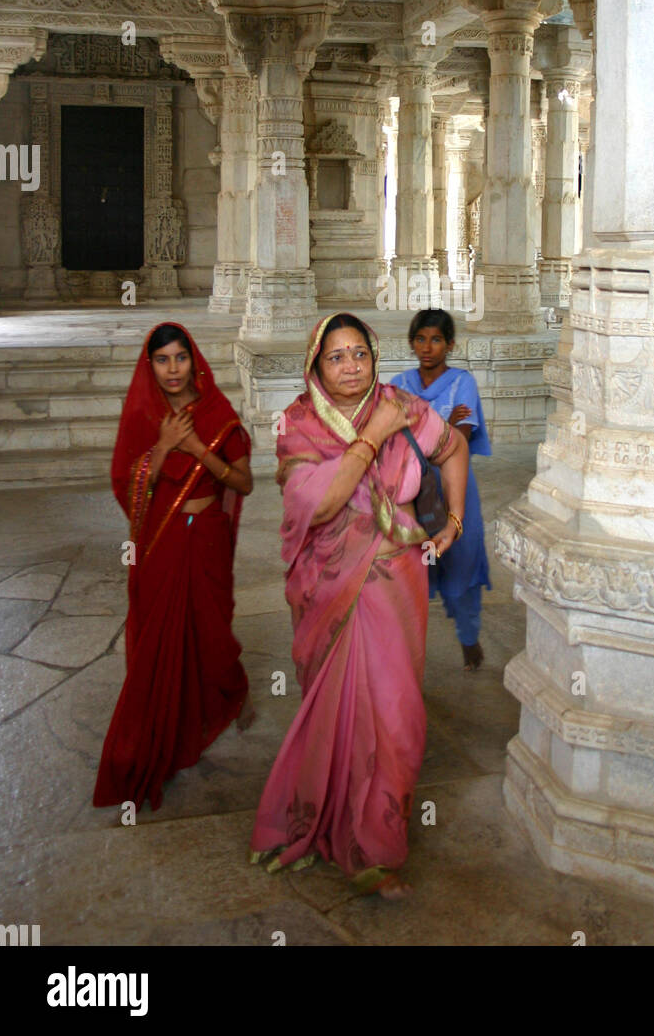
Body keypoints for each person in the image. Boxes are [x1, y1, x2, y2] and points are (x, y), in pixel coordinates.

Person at [251, 313, 468, 899]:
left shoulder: (399, 403)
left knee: (395, 714)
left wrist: (453, 520)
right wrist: (375, 433)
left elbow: (454, 447)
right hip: (330, 587)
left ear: (374, 358)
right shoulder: (297, 424)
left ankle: (375, 844)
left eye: (360, 355)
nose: (351, 367)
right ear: (316, 366)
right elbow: (320, 505)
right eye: (336, 357)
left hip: (397, 583)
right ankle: (334, 825)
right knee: (338, 712)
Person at [93, 322, 253, 812]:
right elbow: (127, 486)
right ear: (150, 366)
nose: (172, 369)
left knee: (208, 632)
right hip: (161, 545)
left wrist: (197, 450)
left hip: (205, 542)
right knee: (159, 641)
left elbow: (243, 483)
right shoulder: (141, 414)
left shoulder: (216, 412)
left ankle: (211, 701)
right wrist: (162, 448)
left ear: (194, 359)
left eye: (180, 357)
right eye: (162, 360)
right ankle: (149, 741)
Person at [392, 309, 492, 670]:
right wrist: (441, 427)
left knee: (461, 565)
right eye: (420, 339)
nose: (427, 347)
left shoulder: (462, 382)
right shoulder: (398, 384)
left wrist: (421, 430)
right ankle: (403, 653)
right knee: (405, 568)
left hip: (454, 489)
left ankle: (468, 636)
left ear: (450, 344)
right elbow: (389, 440)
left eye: (436, 339)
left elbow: (459, 443)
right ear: (411, 342)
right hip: (407, 492)